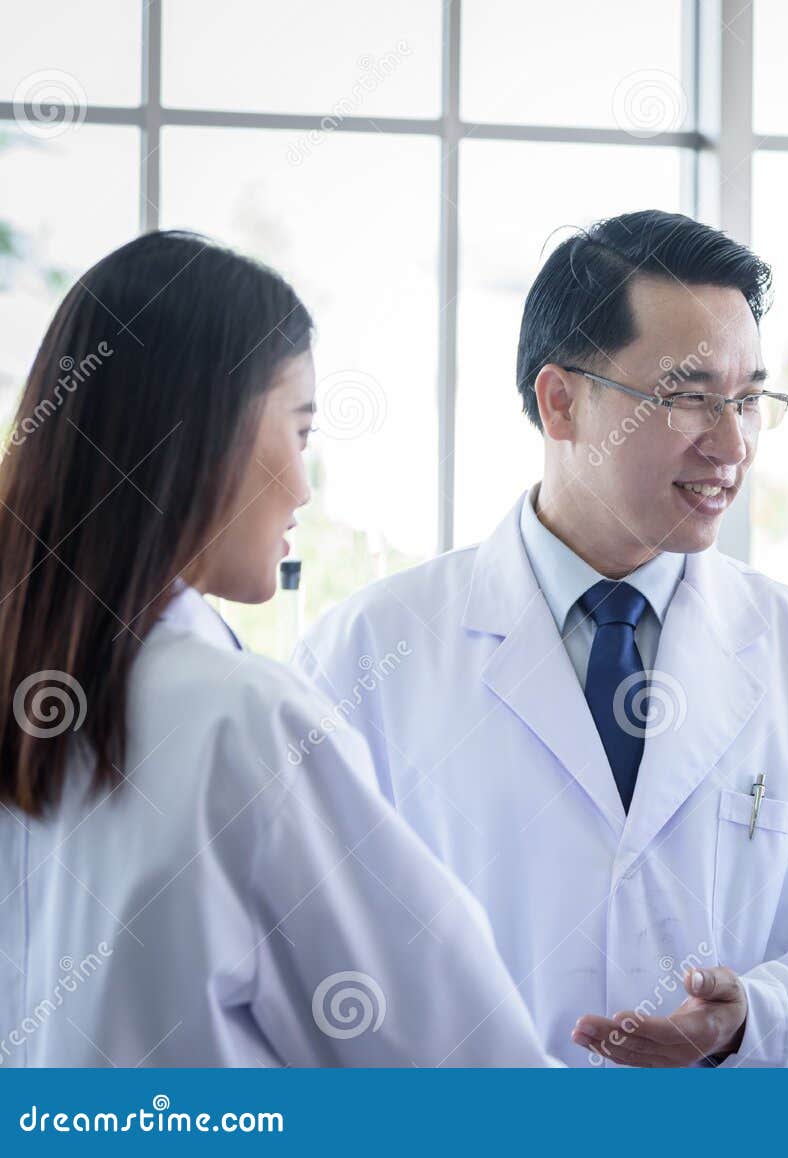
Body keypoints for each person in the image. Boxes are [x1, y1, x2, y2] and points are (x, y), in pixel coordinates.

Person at [293, 210, 788, 1067]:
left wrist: (754, 1018)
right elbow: (298, 946)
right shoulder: (368, 654)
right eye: (689, 397)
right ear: (561, 401)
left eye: (749, 399)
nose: (732, 444)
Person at [0, 232, 554, 1067]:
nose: (302, 486)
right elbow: (465, 1066)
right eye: (298, 432)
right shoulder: (239, 721)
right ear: (197, 432)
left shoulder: (41, 696)